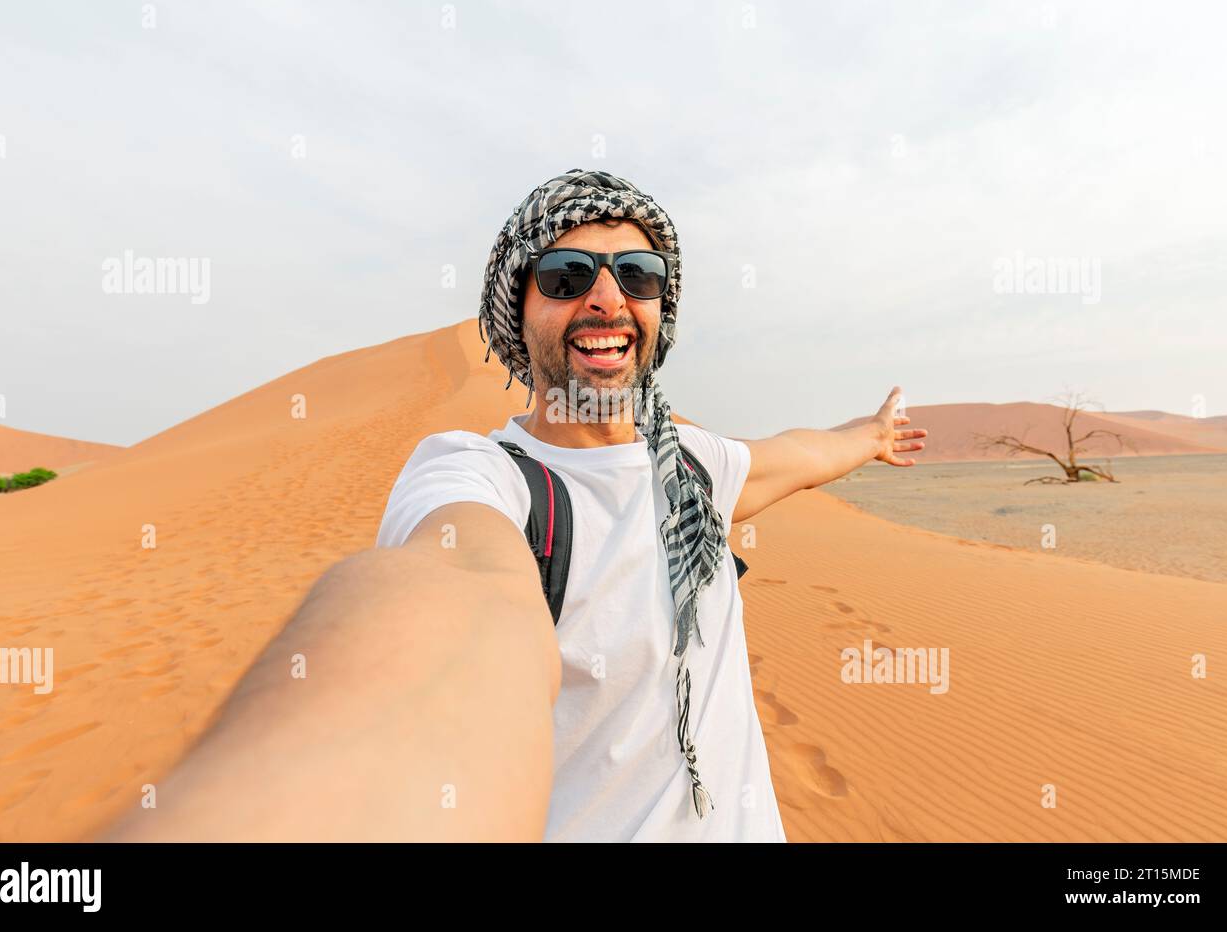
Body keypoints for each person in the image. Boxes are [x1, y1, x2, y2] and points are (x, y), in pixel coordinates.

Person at [103, 169, 925, 843]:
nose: (606, 299)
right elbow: (454, 601)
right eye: (567, 276)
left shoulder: (697, 466)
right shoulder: (480, 480)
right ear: (517, 310)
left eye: (636, 276)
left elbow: (803, 454)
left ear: (658, 311)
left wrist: (871, 432)